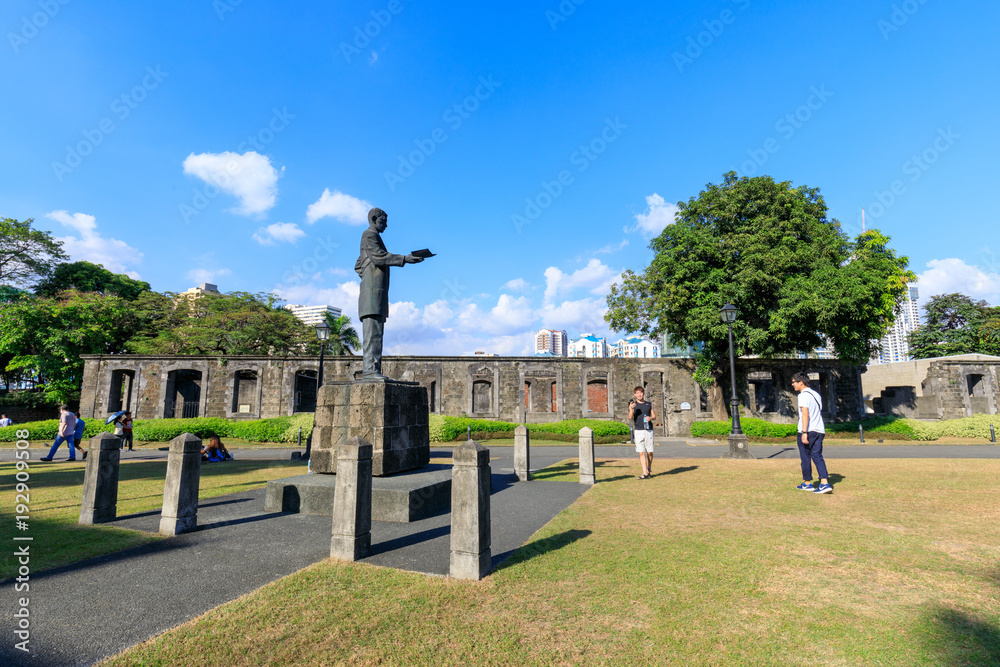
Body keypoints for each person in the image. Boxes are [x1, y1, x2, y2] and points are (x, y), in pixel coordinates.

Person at [355, 207, 425, 379]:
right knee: (373, 334)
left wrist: (368, 272)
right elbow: (379, 257)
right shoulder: (369, 235)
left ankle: (373, 369)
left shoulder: (371, 238)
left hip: (374, 293)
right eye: (383, 221)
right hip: (372, 294)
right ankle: (371, 371)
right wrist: (404, 259)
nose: (386, 225)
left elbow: (358, 265)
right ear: (373, 219)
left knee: (375, 333)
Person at [792, 372, 832, 494]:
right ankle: (824, 483)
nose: (792, 384)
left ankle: (807, 483)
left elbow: (805, 414)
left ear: (801, 382)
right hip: (819, 429)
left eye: (794, 382)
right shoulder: (816, 394)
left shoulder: (803, 395)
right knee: (817, 456)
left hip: (809, 430)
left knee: (805, 457)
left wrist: (804, 432)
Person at [628, 386, 656, 479]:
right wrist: (631, 408)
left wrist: (650, 418)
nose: (639, 395)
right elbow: (630, 417)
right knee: (641, 453)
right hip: (638, 430)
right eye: (637, 393)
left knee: (650, 452)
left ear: (643, 393)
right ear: (635, 394)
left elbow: (654, 416)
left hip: (648, 430)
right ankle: (645, 473)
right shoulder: (633, 405)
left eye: (641, 393)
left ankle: (649, 468)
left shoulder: (649, 404)